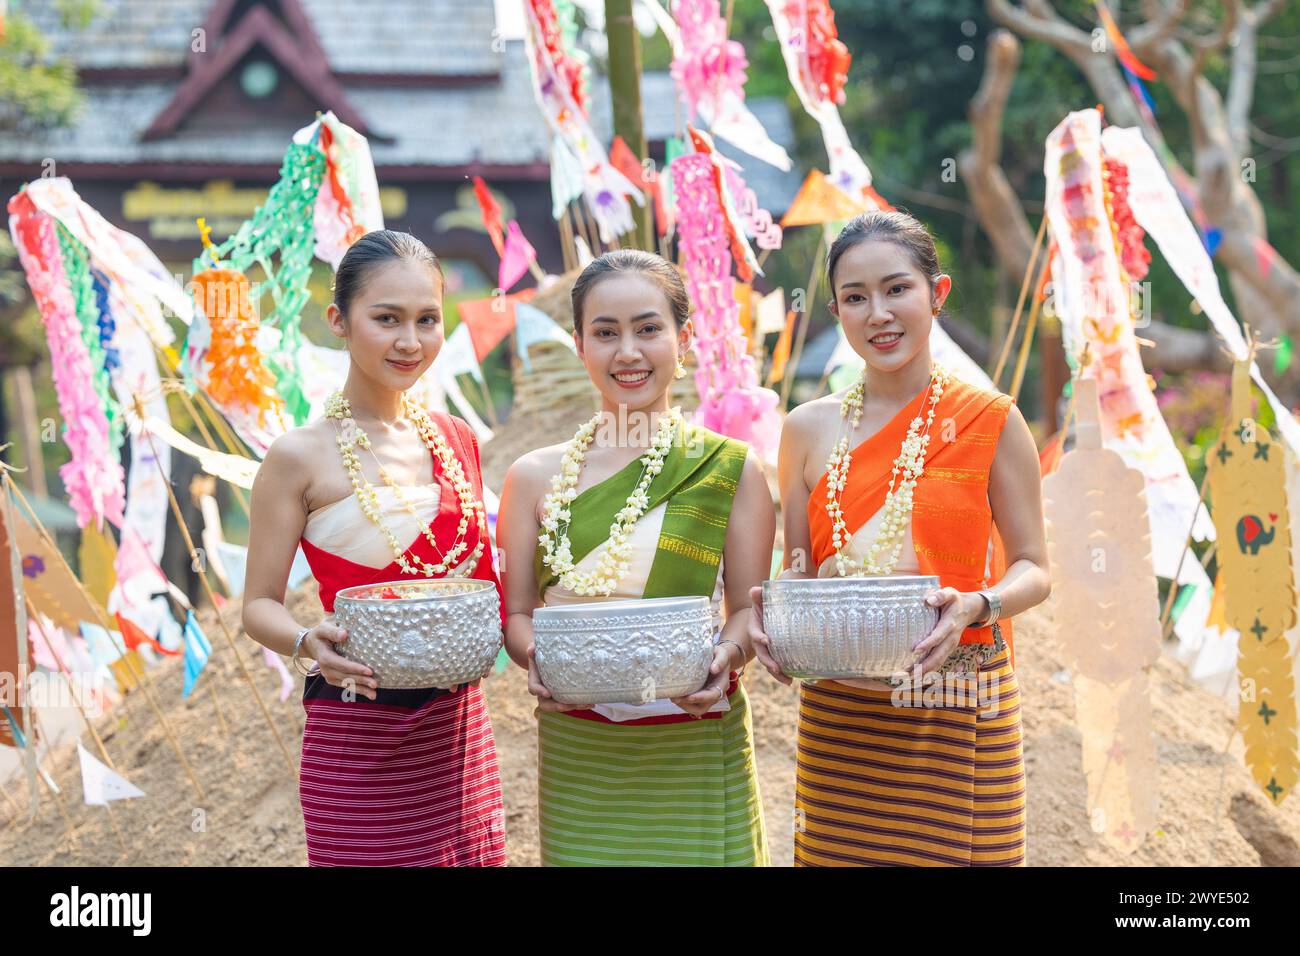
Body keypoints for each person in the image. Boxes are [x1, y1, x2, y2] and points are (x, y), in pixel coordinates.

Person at [750, 211, 1051, 866]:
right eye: (856, 298)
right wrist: (777, 626)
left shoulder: (990, 420)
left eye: (896, 289)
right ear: (836, 310)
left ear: (936, 293)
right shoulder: (806, 428)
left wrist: (979, 604)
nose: (878, 313)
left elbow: (1034, 567)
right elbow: (799, 573)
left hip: (957, 697)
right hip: (841, 714)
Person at [497, 250, 773, 866]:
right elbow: (516, 614)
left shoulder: (730, 468)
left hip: (696, 736)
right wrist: (544, 661)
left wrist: (724, 658)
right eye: (605, 332)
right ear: (578, 344)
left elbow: (750, 612)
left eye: (648, 329)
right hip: (580, 746)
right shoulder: (534, 476)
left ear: (684, 338)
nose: (628, 352)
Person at [243, 230, 507, 866]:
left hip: (459, 733)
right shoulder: (297, 456)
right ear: (339, 320)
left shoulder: (458, 439)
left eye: (427, 320)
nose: (409, 341)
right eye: (385, 318)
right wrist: (308, 643)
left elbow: (486, 585)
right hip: (357, 729)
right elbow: (256, 606)